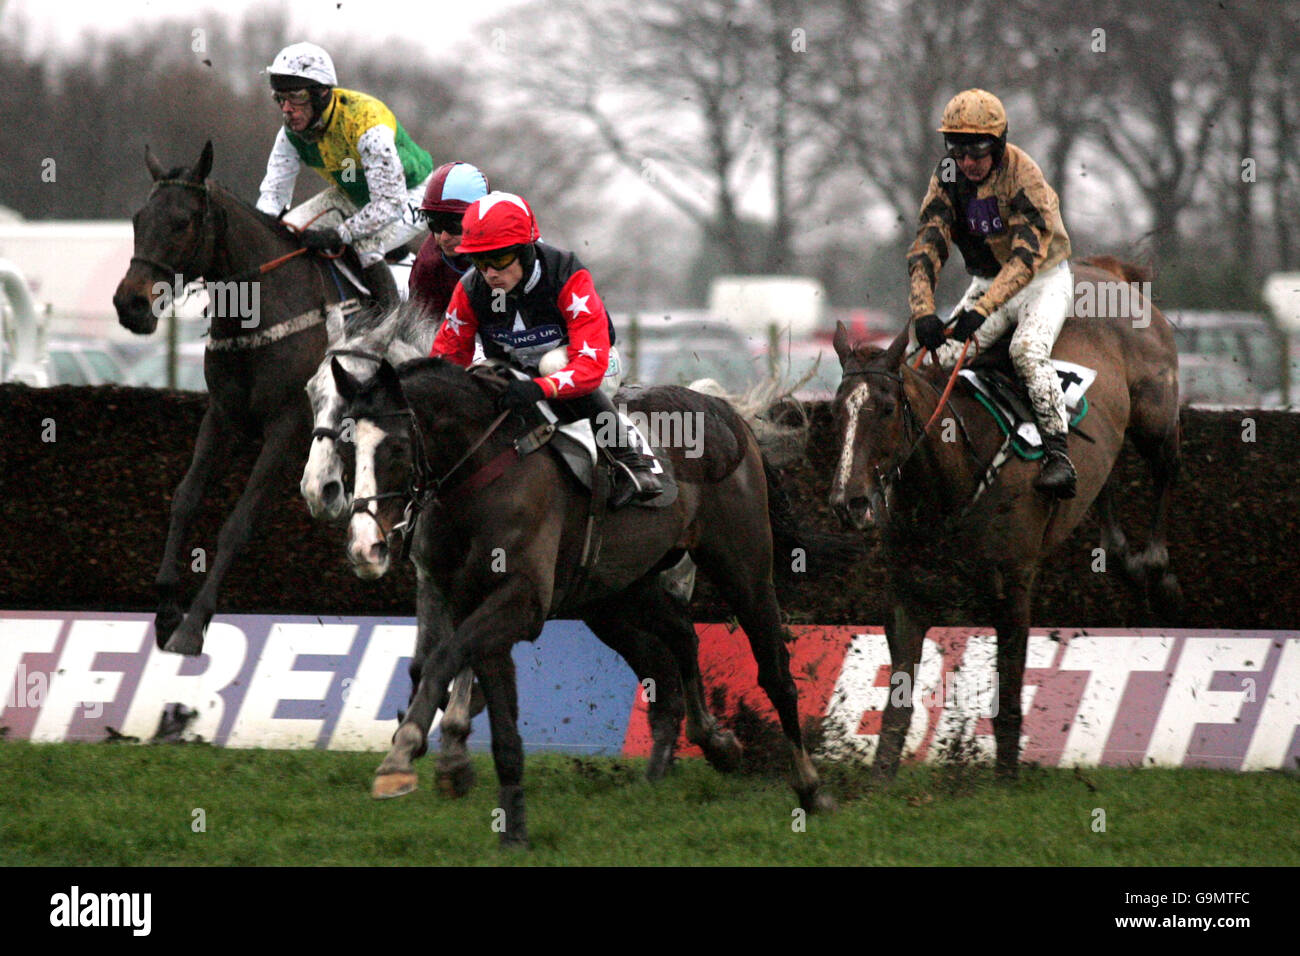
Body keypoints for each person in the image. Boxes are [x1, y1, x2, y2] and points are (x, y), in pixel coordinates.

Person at [429, 191, 663, 508]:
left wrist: (540, 389)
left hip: (592, 365)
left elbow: (589, 366)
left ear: (525, 252)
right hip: (523, 372)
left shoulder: (566, 273)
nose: (490, 273)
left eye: (498, 259)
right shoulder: (471, 288)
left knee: (552, 365)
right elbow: (445, 362)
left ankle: (631, 463)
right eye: (479, 261)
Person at [908, 88, 1077, 498]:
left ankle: (1060, 456)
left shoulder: (1024, 174)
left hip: (1042, 280)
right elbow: (928, 243)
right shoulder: (948, 175)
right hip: (986, 280)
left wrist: (981, 311)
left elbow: (1023, 260)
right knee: (929, 358)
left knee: (1026, 351)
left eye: (977, 152)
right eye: (957, 150)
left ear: (998, 144)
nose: (966, 162)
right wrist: (924, 312)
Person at [255, 42, 434, 311]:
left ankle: (392, 324)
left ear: (322, 93)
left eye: (296, 97)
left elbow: (389, 204)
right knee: (288, 235)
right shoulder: (290, 134)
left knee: (363, 242)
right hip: (355, 192)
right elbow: (273, 197)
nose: (287, 108)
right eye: (280, 98)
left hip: (412, 195)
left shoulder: (367, 124)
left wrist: (340, 233)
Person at [408, 161, 490, 317]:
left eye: (454, 226)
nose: (444, 238)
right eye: (435, 225)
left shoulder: (519, 251)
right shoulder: (428, 266)